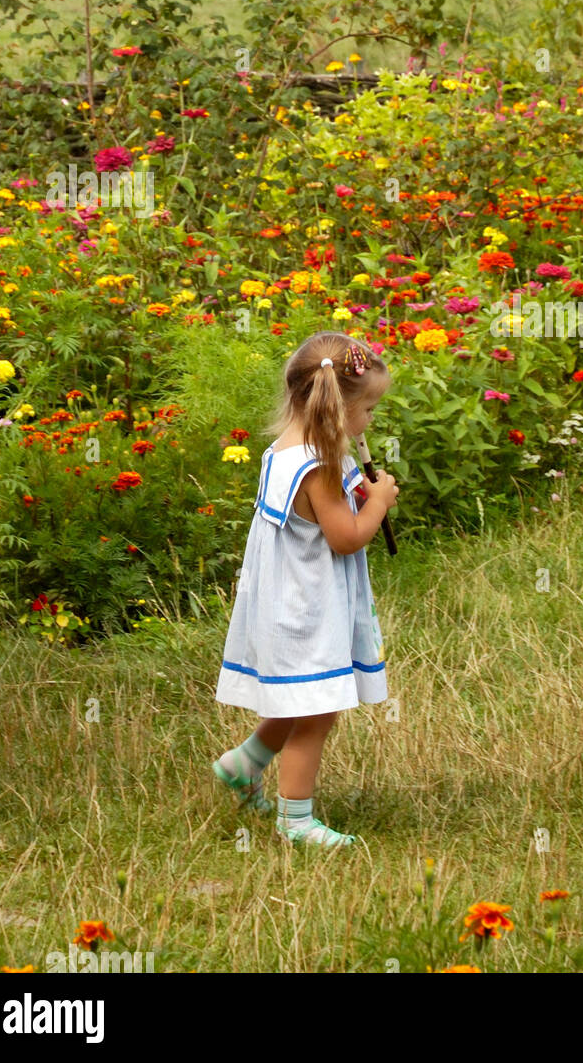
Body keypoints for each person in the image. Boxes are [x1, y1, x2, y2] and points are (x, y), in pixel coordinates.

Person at [212, 333, 399, 848]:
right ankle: (297, 823)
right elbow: (345, 538)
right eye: (368, 408)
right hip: (306, 607)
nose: (370, 421)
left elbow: (318, 515)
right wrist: (378, 501)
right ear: (339, 410)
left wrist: (356, 488)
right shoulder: (320, 466)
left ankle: (245, 762)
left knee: (302, 697)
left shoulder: (288, 450)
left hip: (285, 600)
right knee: (316, 712)